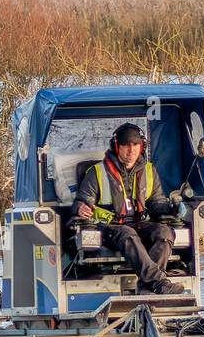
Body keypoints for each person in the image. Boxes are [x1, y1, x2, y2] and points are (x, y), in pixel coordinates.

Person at [74, 122, 185, 294]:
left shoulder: (149, 170)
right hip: (108, 228)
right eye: (126, 145)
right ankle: (158, 282)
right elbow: (81, 202)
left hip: (138, 224)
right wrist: (80, 207)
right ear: (116, 146)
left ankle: (146, 288)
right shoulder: (97, 171)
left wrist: (172, 208)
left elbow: (156, 203)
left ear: (142, 147)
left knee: (165, 232)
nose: (131, 150)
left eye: (136, 145)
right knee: (127, 233)